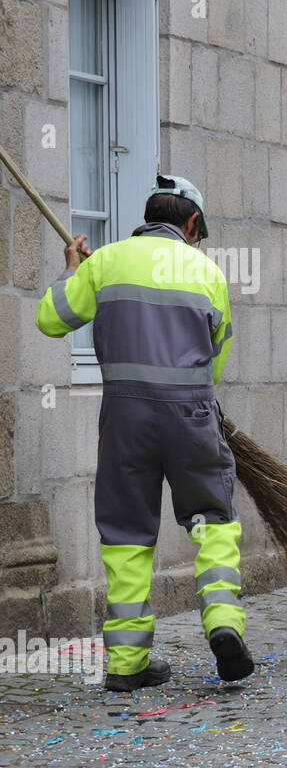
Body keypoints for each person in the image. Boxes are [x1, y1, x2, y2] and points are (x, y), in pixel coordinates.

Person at [36, 175, 254, 691]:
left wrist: (73, 273)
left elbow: (51, 319)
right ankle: (223, 624)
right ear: (192, 223)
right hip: (192, 417)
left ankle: (127, 664)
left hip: (125, 418)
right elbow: (215, 365)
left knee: (127, 535)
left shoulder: (106, 262)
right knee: (212, 522)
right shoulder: (207, 272)